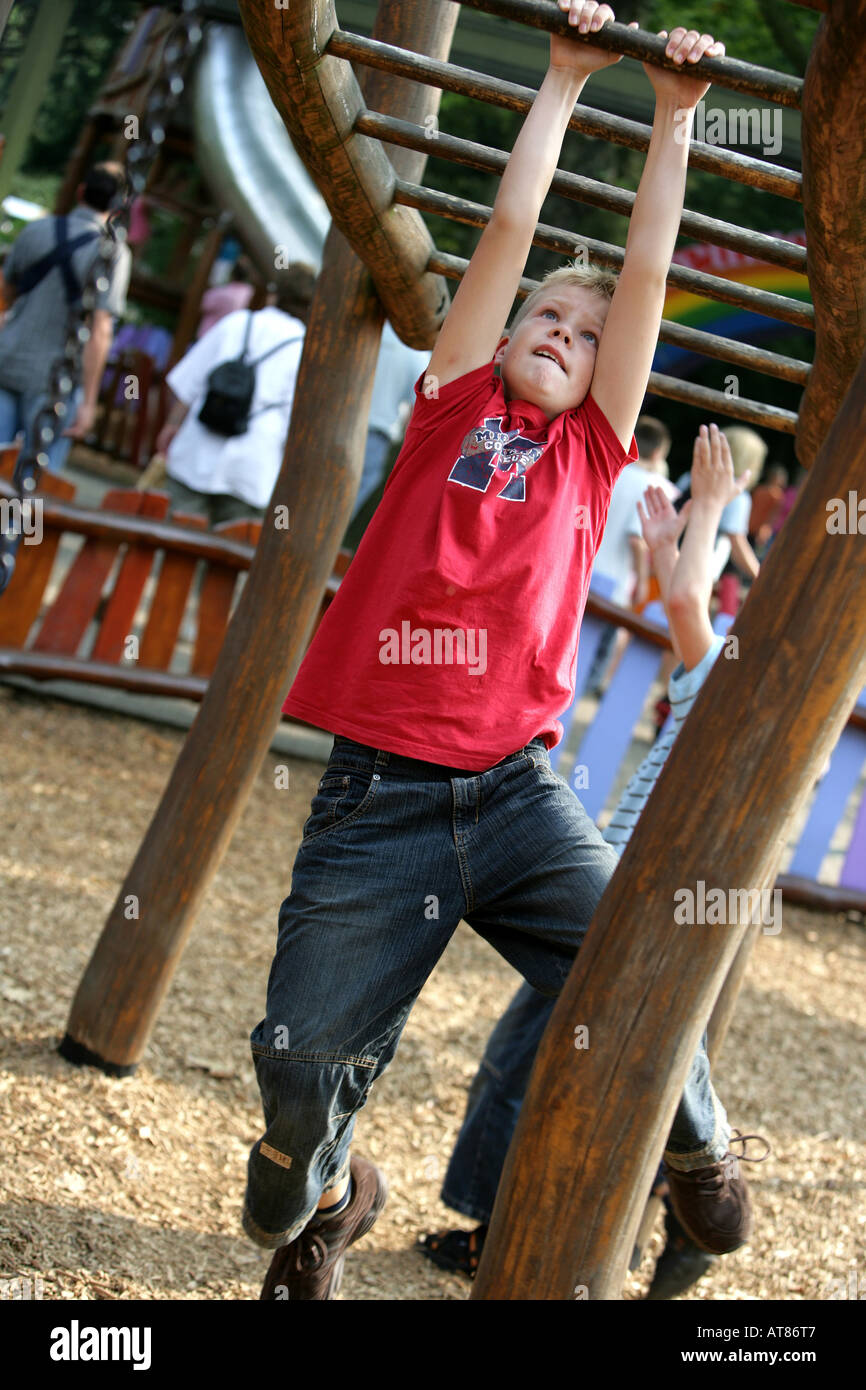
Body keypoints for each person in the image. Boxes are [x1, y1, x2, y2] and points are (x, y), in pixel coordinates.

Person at [244, 3, 730, 1301]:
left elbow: (640, 278)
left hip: (515, 792)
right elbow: (509, 234)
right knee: (295, 1078)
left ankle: (696, 1167)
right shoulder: (454, 398)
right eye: (542, 318)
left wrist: (674, 122)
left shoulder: (589, 450)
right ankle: (329, 1192)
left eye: (581, 334)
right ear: (501, 332)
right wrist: (563, 84)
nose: (562, 332)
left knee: (631, 960)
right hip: (375, 796)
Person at [419, 425, 769, 1292]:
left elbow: (690, 605)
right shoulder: (743, 691)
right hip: (652, 896)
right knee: (625, 1062)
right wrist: (669, 547)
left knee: (531, 1062)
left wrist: (714, 512)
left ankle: (509, 1229)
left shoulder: (735, 680)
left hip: (625, 898)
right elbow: (688, 601)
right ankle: (676, 1213)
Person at [154, 264, 315, 527]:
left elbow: (191, 382)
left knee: (174, 542)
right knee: (229, 555)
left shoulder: (237, 323)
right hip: (253, 466)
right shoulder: (307, 351)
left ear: (274, 294)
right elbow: (296, 425)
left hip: (197, 448)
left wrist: (172, 425)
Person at [0, 161, 132, 472]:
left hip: (7, 361)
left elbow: (5, 292)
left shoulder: (36, 230)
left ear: (80, 191)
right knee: (33, 486)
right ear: (118, 206)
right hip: (55, 381)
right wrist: (88, 402)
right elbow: (100, 331)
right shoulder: (113, 252)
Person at [350, 320, 431, 522]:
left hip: (335, 421)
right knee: (344, 507)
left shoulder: (364, 330)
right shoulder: (419, 354)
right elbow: (420, 410)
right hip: (375, 439)